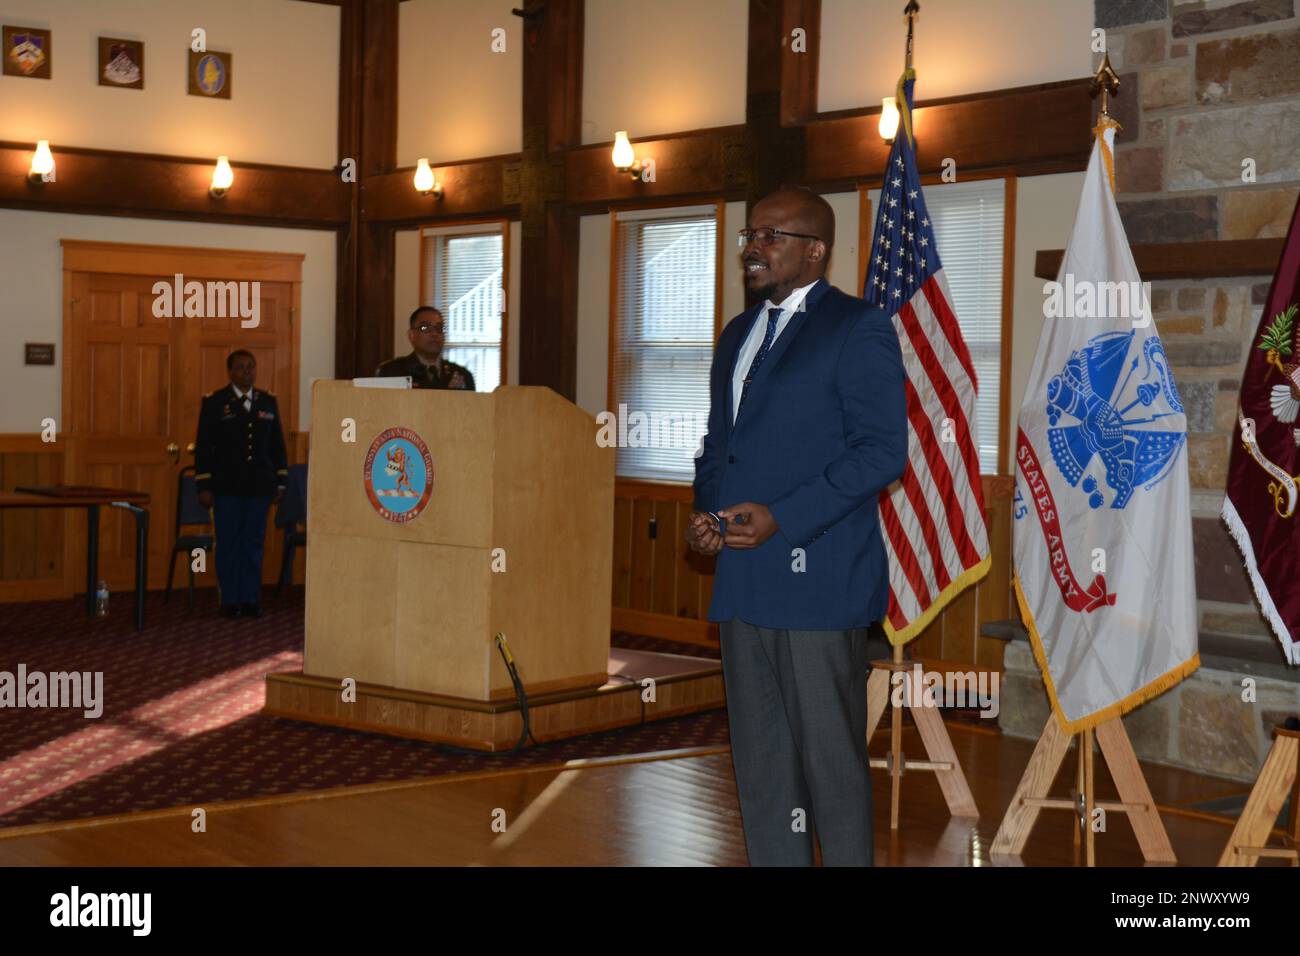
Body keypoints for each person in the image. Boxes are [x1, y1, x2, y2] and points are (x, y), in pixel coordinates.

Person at [685, 186, 908, 866]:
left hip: (819, 576)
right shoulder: (736, 333)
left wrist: (786, 518)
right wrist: (709, 511)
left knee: (829, 761)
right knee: (761, 759)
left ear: (816, 249)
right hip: (744, 576)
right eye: (749, 234)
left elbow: (881, 451)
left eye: (771, 236)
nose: (753, 248)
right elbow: (720, 442)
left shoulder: (857, 326)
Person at [194, 350, 289, 619]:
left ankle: (250, 599)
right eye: (240, 367)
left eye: (251, 367)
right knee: (228, 544)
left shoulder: (267, 401)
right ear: (230, 372)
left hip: (259, 487)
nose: (247, 371)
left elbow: (277, 446)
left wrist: (281, 481)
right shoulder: (215, 403)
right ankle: (230, 600)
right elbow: (203, 447)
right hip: (227, 487)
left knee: (253, 544)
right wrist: (203, 485)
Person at [375, 306, 476, 389]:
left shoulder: (462, 375)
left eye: (439, 328)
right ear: (411, 335)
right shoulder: (391, 372)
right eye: (425, 328)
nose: (434, 333)